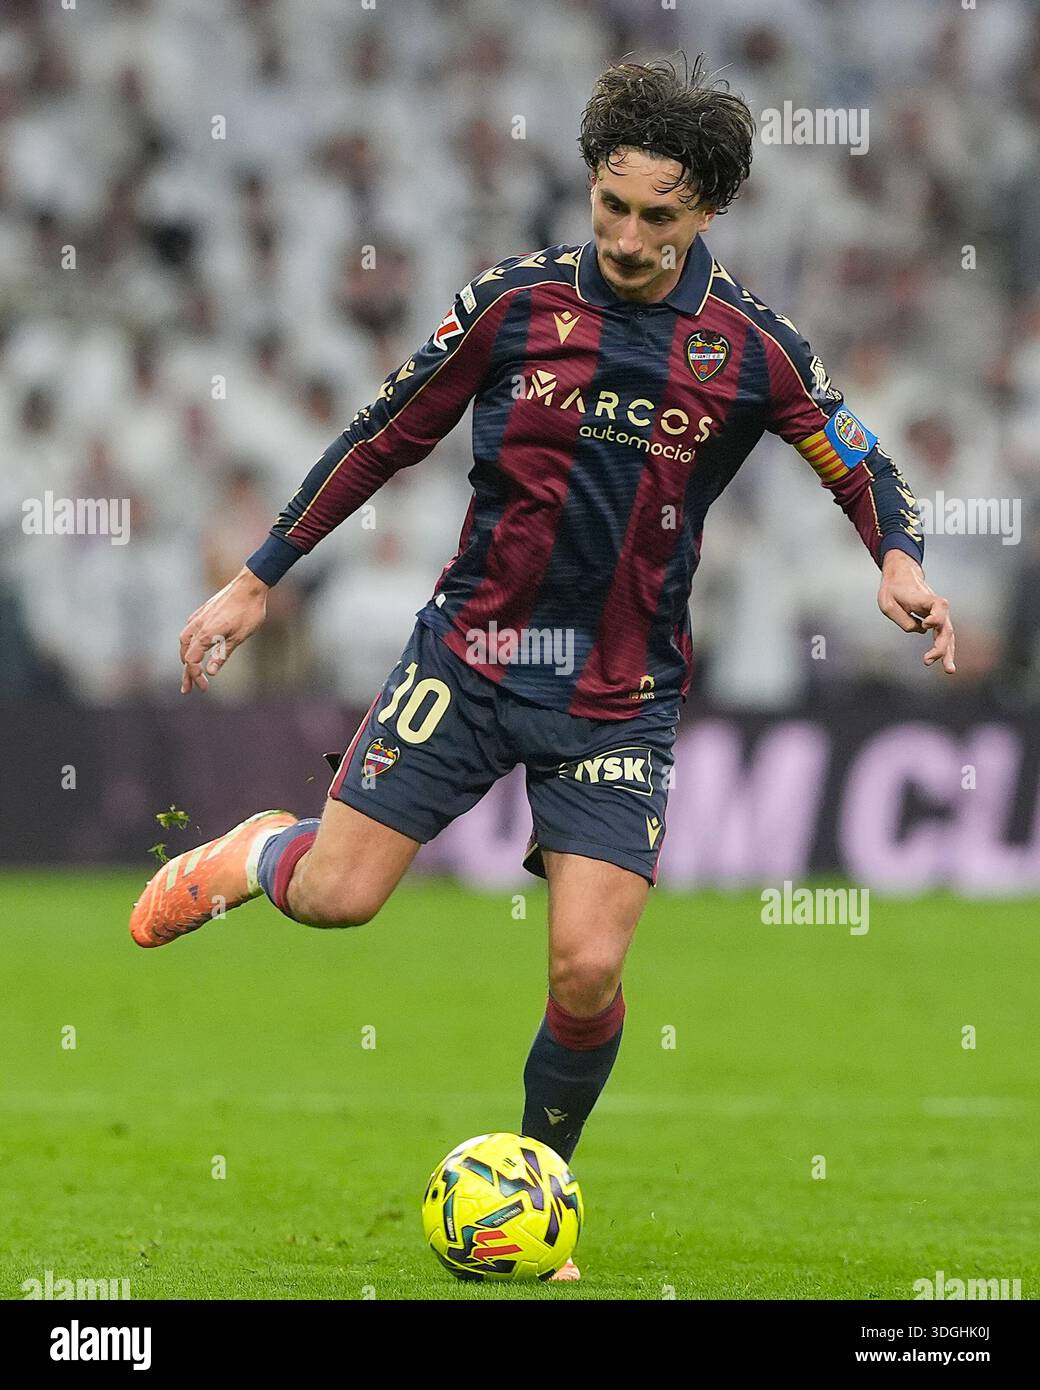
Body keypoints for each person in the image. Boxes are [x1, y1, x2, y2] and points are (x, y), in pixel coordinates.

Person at [129, 56, 956, 1282]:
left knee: (587, 967)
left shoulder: (748, 348)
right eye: (608, 205)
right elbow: (383, 433)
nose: (624, 236)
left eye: (656, 217)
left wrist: (895, 560)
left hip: (617, 696)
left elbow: (856, 459)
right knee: (337, 900)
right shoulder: (512, 305)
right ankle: (257, 848)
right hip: (468, 659)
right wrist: (258, 576)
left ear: (706, 215)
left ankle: (535, 1186)